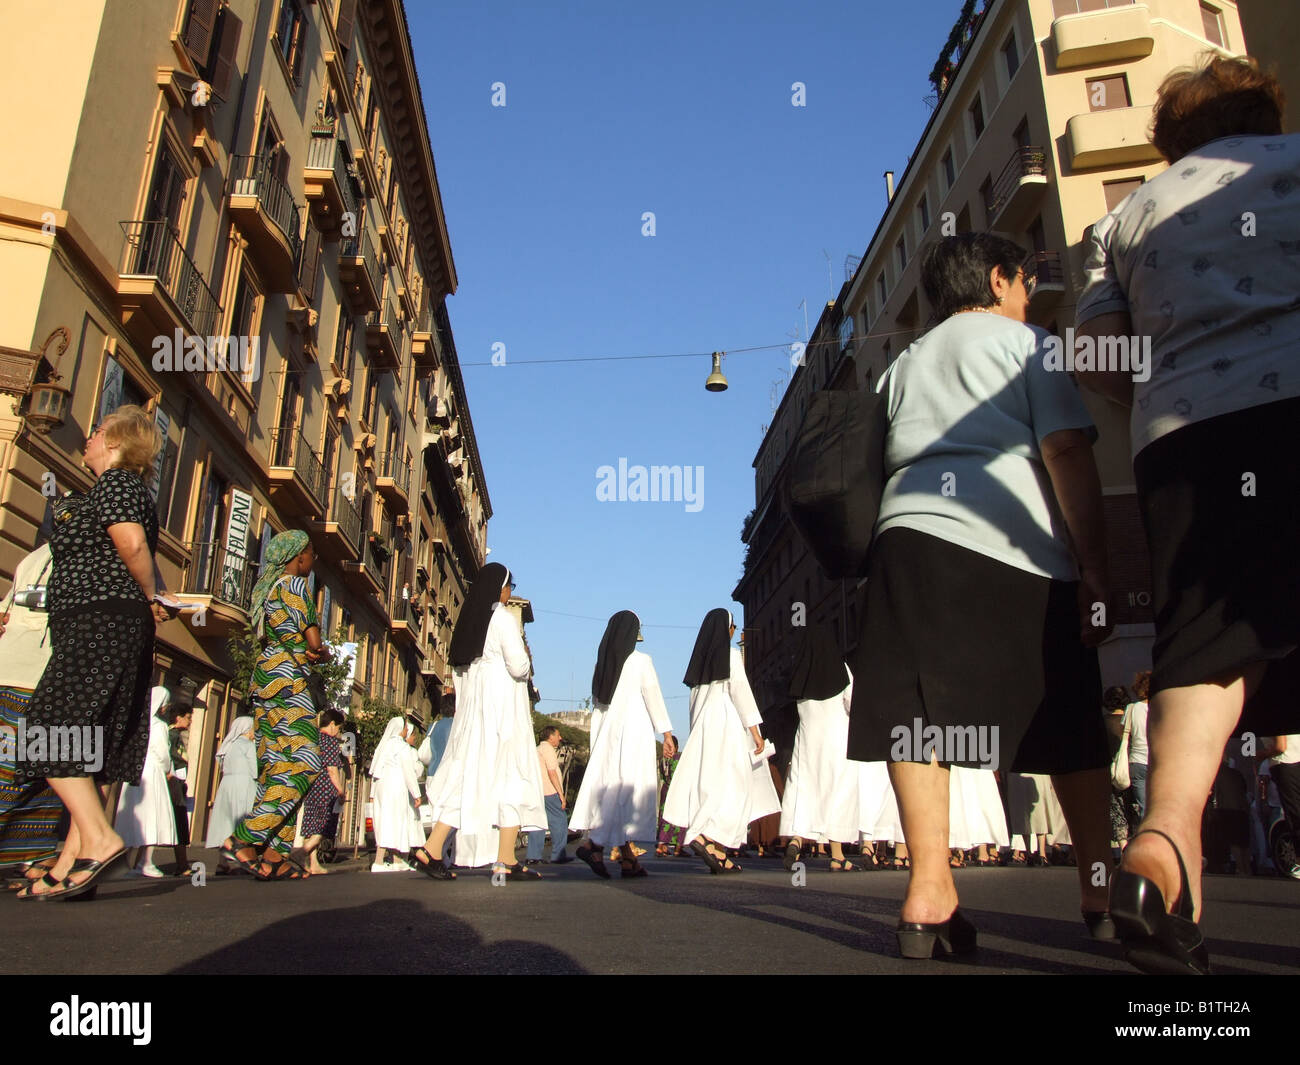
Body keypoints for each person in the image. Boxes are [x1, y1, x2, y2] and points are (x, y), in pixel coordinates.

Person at [1073, 56, 1300, 974]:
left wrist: (1170, 382)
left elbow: (1093, 349)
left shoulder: (1124, 217)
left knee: (1205, 649)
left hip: (1185, 437)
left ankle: (1164, 842)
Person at [844, 233, 1116, 956]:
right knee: (1068, 713)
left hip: (904, 543)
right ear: (1000, 281)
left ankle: (929, 886)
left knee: (918, 717)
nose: (1027, 295)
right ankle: (1099, 888)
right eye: (1023, 282)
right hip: (1011, 541)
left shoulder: (901, 367)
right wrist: (1096, 565)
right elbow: (1064, 450)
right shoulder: (1028, 346)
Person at [18, 406, 170, 901]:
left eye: (98, 430)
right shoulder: (114, 490)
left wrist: (150, 597)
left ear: (118, 441)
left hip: (100, 622)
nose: (88, 436)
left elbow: (132, 545)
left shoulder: (118, 485)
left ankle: (101, 841)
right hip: (102, 623)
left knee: (48, 727)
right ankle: (71, 863)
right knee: (84, 741)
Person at [417, 564, 547, 881]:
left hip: (474, 714)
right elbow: (518, 667)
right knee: (511, 775)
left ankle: (433, 848)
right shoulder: (501, 617)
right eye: (509, 586)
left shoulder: (471, 623)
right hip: (503, 711)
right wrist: (528, 658)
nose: (510, 593)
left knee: (469, 778)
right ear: (499, 588)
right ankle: (505, 858)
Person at [219, 530, 325, 881]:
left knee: (276, 768)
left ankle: (273, 855)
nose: (313, 561)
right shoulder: (295, 586)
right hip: (289, 684)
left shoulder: (269, 592)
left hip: (265, 683)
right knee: (305, 764)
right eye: (310, 554)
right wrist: (319, 650)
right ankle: (245, 837)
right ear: (298, 557)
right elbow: (313, 639)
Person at [662, 608, 779, 874]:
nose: (735, 631)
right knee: (736, 787)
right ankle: (704, 836)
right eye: (733, 626)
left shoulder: (698, 667)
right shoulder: (731, 655)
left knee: (710, 786)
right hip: (727, 727)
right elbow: (741, 693)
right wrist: (755, 731)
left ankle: (717, 851)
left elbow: (693, 708)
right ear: (725, 629)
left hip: (703, 733)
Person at [570, 611, 675, 878]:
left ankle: (628, 860)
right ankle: (593, 844)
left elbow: (598, 702)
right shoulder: (640, 661)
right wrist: (666, 733)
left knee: (614, 789)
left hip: (608, 733)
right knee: (627, 790)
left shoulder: (603, 663)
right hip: (634, 732)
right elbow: (653, 695)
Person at [0, 542, 67, 888]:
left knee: (44, 773)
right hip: (32, 675)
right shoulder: (69, 555)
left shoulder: (37, 555)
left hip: (23, 671)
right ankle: (33, 856)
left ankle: (33, 854)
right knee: (20, 771)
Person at [780, 623, 867, 872]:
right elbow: (853, 704)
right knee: (839, 792)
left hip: (807, 739)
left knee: (804, 788)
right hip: (837, 739)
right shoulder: (842, 670)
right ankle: (838, 856)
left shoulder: (801, 671)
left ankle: (797, 839)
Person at [116, 687, 179, 877]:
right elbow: (162, 753)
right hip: (152, 773)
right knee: (152, 816)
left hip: (135, 772)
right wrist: (169, 768)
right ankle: (145, 862)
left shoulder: (136, 722)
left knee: (133, 817)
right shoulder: (159, 725)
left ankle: (125, 863)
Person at [204, 713, 258, 874]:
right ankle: (243, 862)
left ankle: (222, 863)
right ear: (248, 730)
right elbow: (254, 770)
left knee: (225, 823)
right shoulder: (248, 745)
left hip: (226, 785)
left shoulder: (227, 746)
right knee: (242, 822)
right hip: (244, 785)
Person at [370, 715, 425, 872]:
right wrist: (417, 794)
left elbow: (375, 771)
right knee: (394, 823)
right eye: (406, 727)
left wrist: (373, 793)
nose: (407, 730)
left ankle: (395, 860)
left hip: (382, 787)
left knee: (385, 822)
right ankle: (379, 862)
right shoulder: (402, 747)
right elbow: (409, 772)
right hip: (395, 788)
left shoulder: (384, 746)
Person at [301, 709, 346, 875]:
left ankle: (313, 863)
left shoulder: (314, 738)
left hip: (311, 787)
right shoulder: (330, 742)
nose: (338, 732)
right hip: (325, 789)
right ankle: (300, 854)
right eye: (339, 728)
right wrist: (340, 790)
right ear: (332, 724)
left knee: (311, 825)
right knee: (323, 826)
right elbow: (332, 769)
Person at [528, 726, 572, 865]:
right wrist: (561, 794)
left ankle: (533, 856)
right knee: (559, 821)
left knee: (538, 822)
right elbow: (552, 772)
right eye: (558, 735)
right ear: (550, 737)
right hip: (550, 791)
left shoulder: (537, 749)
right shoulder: (548, 750)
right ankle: (558, 855)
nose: (560, 738)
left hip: (538, 791)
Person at [162, 700, 193, 875]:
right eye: (188, 717)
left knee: (178, 820)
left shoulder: (174, 735)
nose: (189, 722)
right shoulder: (172, 735)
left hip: (177, 782)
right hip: (173, 782)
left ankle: (182, 864)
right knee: (179, 820)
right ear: (178, 718)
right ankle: (182, 864)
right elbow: (174, 758)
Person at [1263, 736, 1300, 879]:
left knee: (1294, 813)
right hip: (1292, 762)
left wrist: (1260, 755)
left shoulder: (1274, 716)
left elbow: (1280, 746)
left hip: (1286, 763)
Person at [1121, 672, 1151, 820]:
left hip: (1136, 761)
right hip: (1157, 760)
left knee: (1144, 808)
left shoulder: (1131, 708)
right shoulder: (1159, 707)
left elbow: (1124, 733)